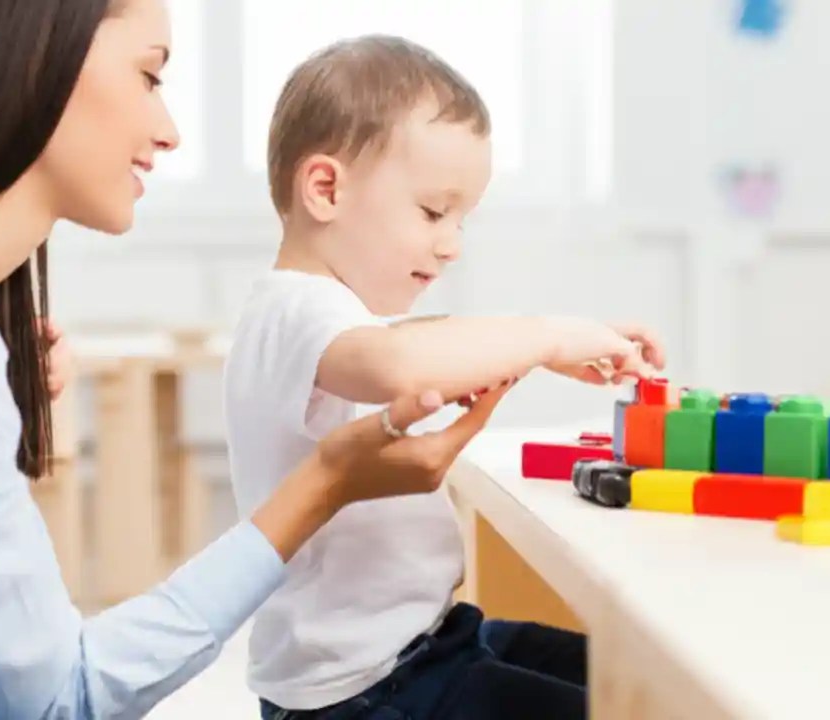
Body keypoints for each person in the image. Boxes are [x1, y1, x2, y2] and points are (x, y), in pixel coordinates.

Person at [0, 2, 513, 718]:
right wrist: (321, 486)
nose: (168, 132)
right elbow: (66, 697)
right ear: (40, 59)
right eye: (149, 76)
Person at [223, 35, 667, 719]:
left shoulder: (326, 314)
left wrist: (545, 350)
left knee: (627, 677)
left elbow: (415, 343)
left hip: (424, 645)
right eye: (433, 212)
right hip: (363, 692)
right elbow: (394, 362)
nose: (452, 242)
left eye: (462, 219)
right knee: (624, 706)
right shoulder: (296, 307)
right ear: (325, 189)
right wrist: (550, 336)